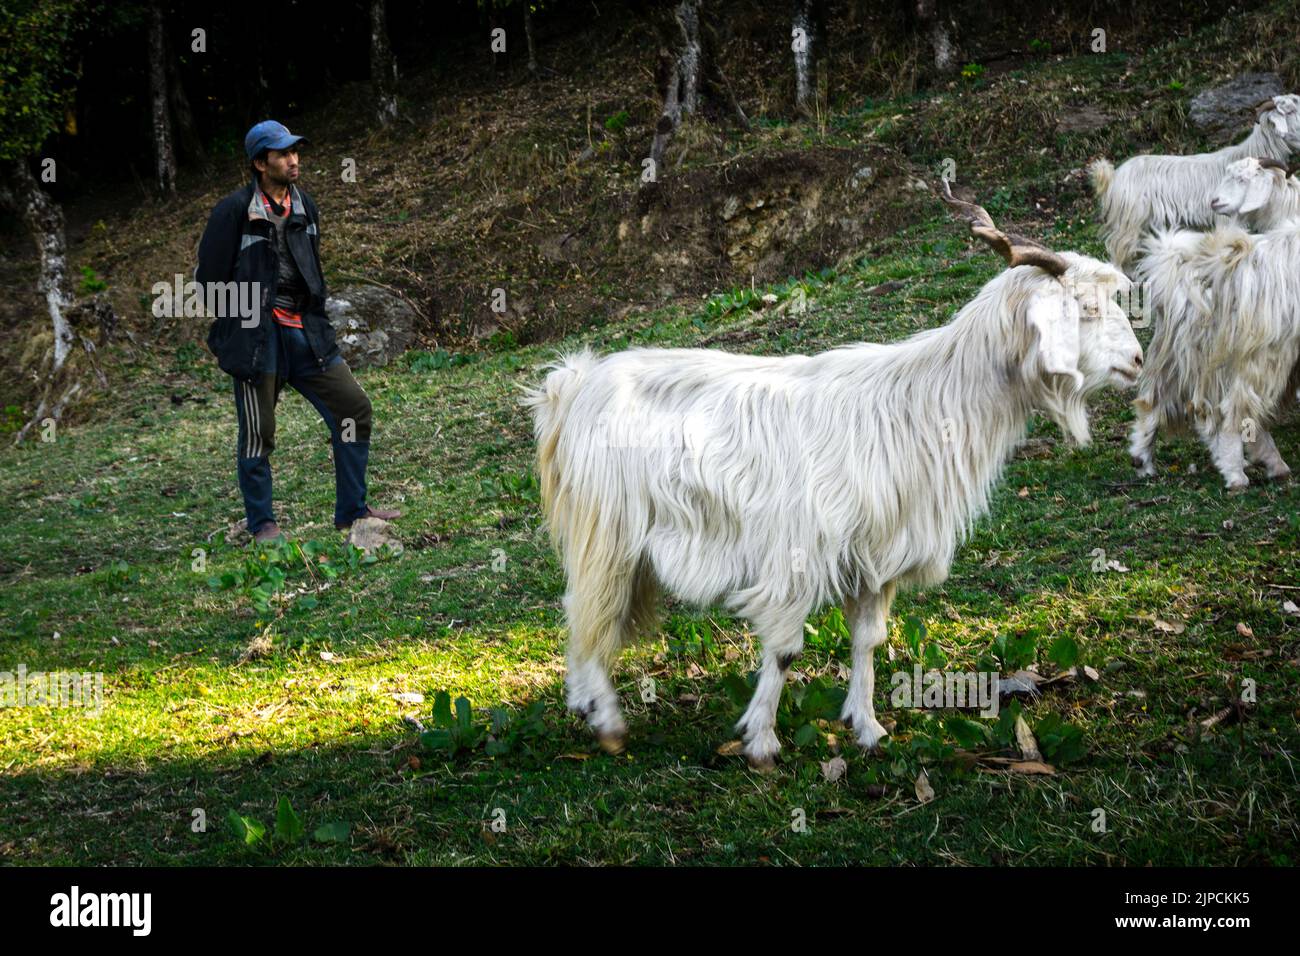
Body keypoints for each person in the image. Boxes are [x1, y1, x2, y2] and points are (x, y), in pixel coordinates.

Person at [195, 120, 400, 544]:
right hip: (256, 335)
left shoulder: (305, 204)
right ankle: (262, 525)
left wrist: (314, 318)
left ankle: (352, 511)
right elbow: (209, 282)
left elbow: (312, 271)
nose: (293, 159)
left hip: (305, 331)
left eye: (295, 151)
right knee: (258, 433)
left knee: (352, 409)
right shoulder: (233, 211)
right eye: (282, 153)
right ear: (259, 163)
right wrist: (244, 324)